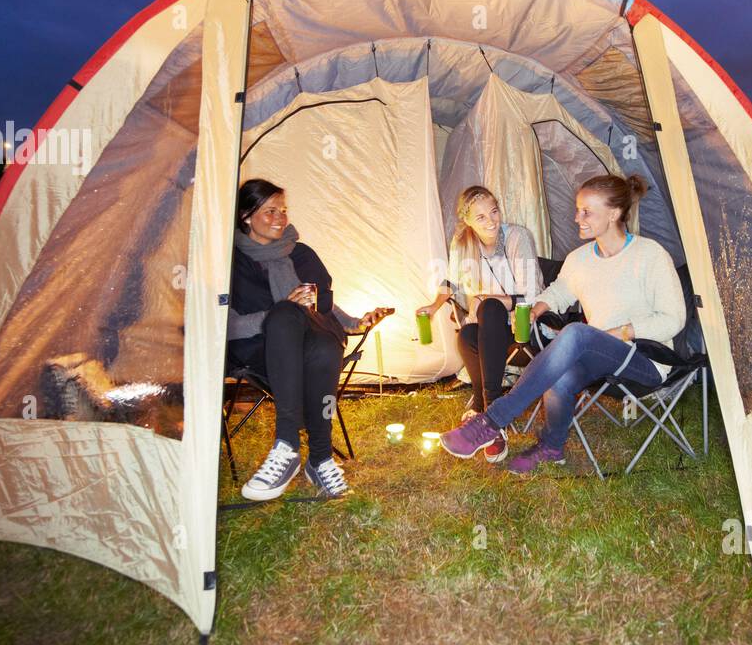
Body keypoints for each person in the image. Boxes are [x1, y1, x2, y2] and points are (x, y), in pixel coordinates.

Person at [440, 174, 685, 473]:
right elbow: (556, 293)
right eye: (577, 209)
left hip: (646, 359)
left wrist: (621, 333)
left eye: (586, 212)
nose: (576, 218)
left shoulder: (650, 255)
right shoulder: (579, 258)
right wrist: (534, 310)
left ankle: (491, 420)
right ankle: (552, 447)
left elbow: (673, 320)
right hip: (600, 357)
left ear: (614, 214)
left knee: (577, 334)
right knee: (559, 375)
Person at [227, 179, 391, 501]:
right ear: (246, 216)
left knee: (319, 337)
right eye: (270, 211)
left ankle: (288, 446)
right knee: (294, 322)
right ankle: (318, 457)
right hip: (262, 351)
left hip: (314, 340)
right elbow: (227, 325)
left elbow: (324, 307)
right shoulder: (231, 262)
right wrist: (280, 311)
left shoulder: (301, 254)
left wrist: (357, 323)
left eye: (284, 210)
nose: (280, 218)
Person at [416, 185, 543, 462]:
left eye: (494, 211)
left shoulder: (517, 237)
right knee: (466, 335)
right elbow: (451, 281)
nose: (491, 221)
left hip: (522, 326)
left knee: (489, 307)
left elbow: (532, 294)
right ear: (468, 220)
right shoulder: (463, 242)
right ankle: (491, 418)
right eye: (481, 217)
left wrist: (491, 299)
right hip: (488, 333)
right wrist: (434, 306)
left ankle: (489, 415)